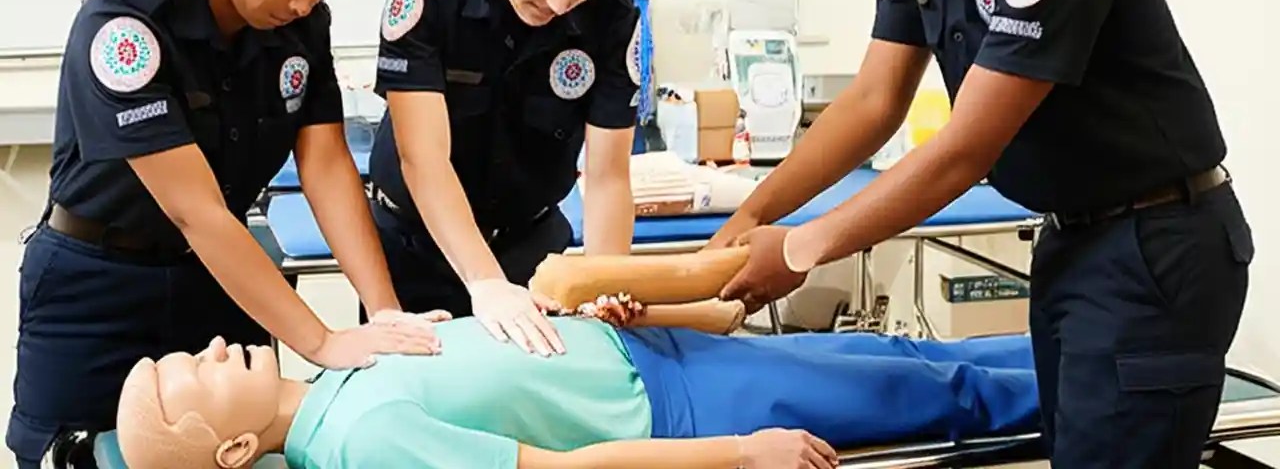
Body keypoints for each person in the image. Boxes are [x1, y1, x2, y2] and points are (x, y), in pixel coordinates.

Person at [705, 0, 1254, 467]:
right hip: (1074, 240)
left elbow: (966, 151)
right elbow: (873, 101)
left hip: (1154, 244)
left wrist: (801, 250)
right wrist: (750, 218)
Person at [7, 0, 443, 469]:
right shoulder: (126, 28)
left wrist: (384, 313)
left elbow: (325, 164)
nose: (305, 1)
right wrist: (321, 342)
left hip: (221, 281)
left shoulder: (298, 25)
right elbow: (198, 213)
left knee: (241, 452)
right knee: (78, 457)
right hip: (99, 286)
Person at [113, 306, 1039, 468]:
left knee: (906, 358)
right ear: (235, 450)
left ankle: (1088, 350)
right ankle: (1109, 388)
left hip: (647, 352)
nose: (209, 348)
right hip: (684, 413)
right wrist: (739, 454)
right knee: (943, 394)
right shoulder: (361, 443)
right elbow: (565, 468)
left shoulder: (337, 371)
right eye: (192, 377)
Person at [367, 0, 643, 356]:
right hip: (416, 248)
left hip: (528, 246)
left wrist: (604, 287)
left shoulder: (613, 18)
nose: (560, 2)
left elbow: (608, 175)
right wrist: (486, 283)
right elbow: (423, 160)